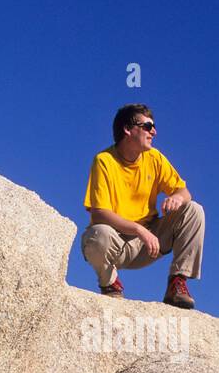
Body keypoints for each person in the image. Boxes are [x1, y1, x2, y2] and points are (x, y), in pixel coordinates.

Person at [81, 104, 204, 308]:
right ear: (128, 130)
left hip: (151, 242)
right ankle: (110, 283)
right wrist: (138, 230)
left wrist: (178, 198)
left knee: (193, 209)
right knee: (96, 236)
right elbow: (99, 213)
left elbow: (185, 192)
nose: (154, 131)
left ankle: (177, 283)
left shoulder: (154, 157)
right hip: (117, 242)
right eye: (148, 126)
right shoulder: (104, 161)